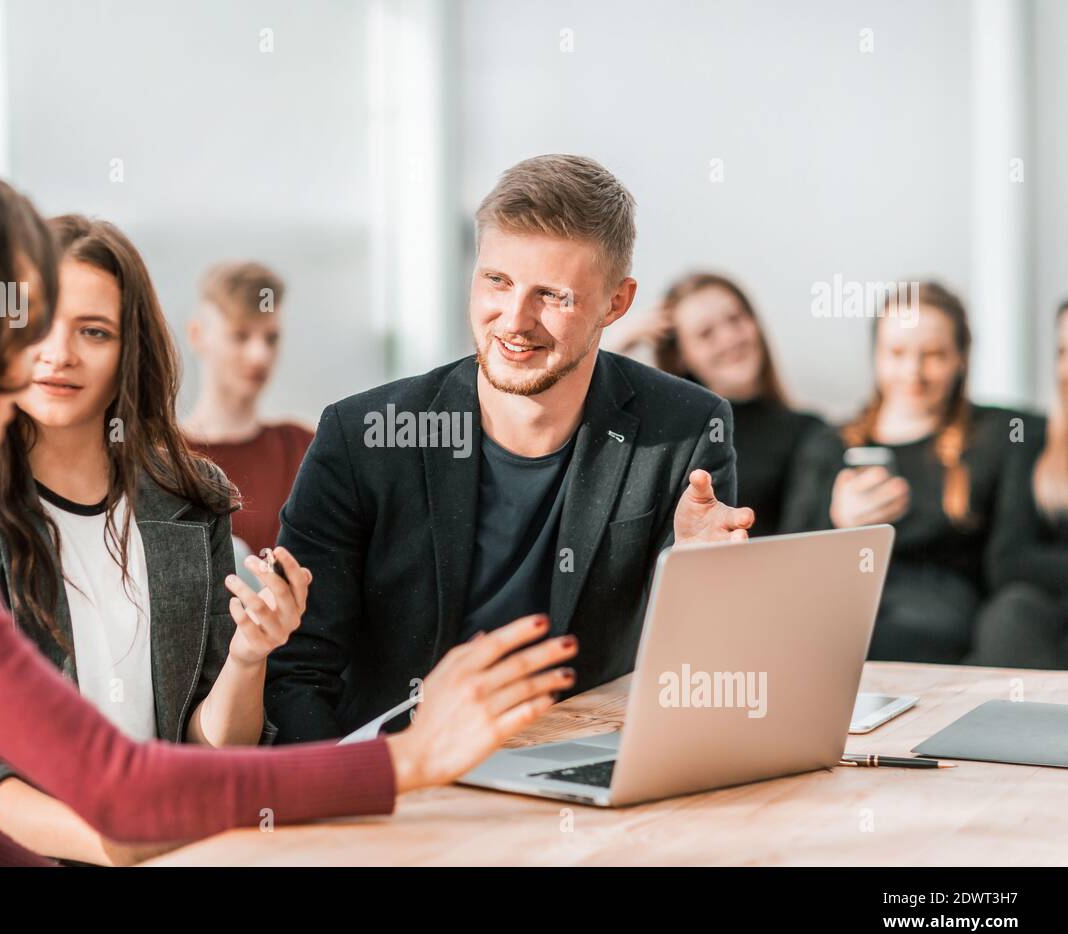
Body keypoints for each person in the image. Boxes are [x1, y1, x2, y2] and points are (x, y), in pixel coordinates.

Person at [0, 161, 578, 866]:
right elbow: (111, 789)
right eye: (19, 322)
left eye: (84, 328)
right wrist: (406, 760)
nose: (41, 357)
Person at [265, 154, 755, 745]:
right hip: (401, 785)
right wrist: (346, 806)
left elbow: (695, 679)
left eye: (553, 295)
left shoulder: (686, 428)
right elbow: (295, 675)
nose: (515, 321)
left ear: (617, 304)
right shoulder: (361, 436)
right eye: (497, 281)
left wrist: (700, 586)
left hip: (586, 775)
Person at [0, 216, 281, 865]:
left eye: (92, 332)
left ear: (130, 350)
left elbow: (208, 748)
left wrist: (248, 656)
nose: (58, 354)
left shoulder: (189, 496)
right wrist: (109, 844)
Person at [785, 280, 1017, 664]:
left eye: (934, 355)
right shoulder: (828, 444)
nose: (914, 372)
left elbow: (1007, 561)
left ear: (961, 357)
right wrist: (837, 522)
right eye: (896, 353)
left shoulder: (997, 437)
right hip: (840, 611)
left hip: (939, 622)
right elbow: (787, 561)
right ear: (875, 356)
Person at [610, 272, 830, 535]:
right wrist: (617, 342)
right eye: (706, 333)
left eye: (735, 319)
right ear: (680, 355)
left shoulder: (809, 432)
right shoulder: (665, 436)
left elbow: (812, 537)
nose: (729, 338)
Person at [182, 262, 314, 554]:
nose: (259, 355)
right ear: (196, 335)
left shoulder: (304, 448)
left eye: (271, 338)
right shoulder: (161, 455)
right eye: (240, 336)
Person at [968, 300, 1068, 669]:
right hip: (1048, 619)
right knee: (1009, 615)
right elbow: (1008, 561)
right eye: (1062, 351)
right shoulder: (1030, 440)